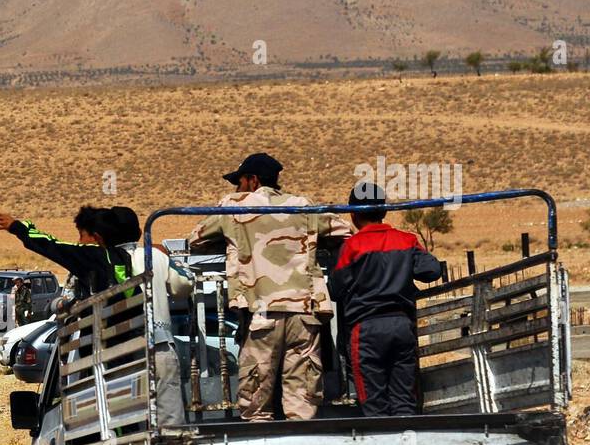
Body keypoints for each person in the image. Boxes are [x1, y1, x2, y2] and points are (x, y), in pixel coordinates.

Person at [189, 153, 353, 421]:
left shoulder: (233, 206)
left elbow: (195, 239)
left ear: (252, 180)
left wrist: (234, 244)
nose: (237, 188)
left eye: (239, 182)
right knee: (303, 397)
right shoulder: (302, 205)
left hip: (260, 310)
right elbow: (343, 232)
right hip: (304, 311)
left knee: (255, 396)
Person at [331, 182, 443, 416]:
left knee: (374, 404)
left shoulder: (351, 246)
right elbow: (431, 271)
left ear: (353, 214)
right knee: (404, 400)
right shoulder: (407, 240)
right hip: (402, 327)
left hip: (366, 330)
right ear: (383, 211)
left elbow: (336, 289)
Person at [99, 206, 193, 428]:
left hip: (117, 354)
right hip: (159, 347)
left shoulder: (101, 260)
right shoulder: (154, 255)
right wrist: (170, 259)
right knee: (170, 421)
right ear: (139, 233)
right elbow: (184, 286)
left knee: (126, 419)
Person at [0, 206, 130, 301]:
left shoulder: (92, 256)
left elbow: (51, 245)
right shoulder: (132, 256)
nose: (79, 242)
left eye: (81, 235)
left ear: (96, 237)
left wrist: (17, 227)